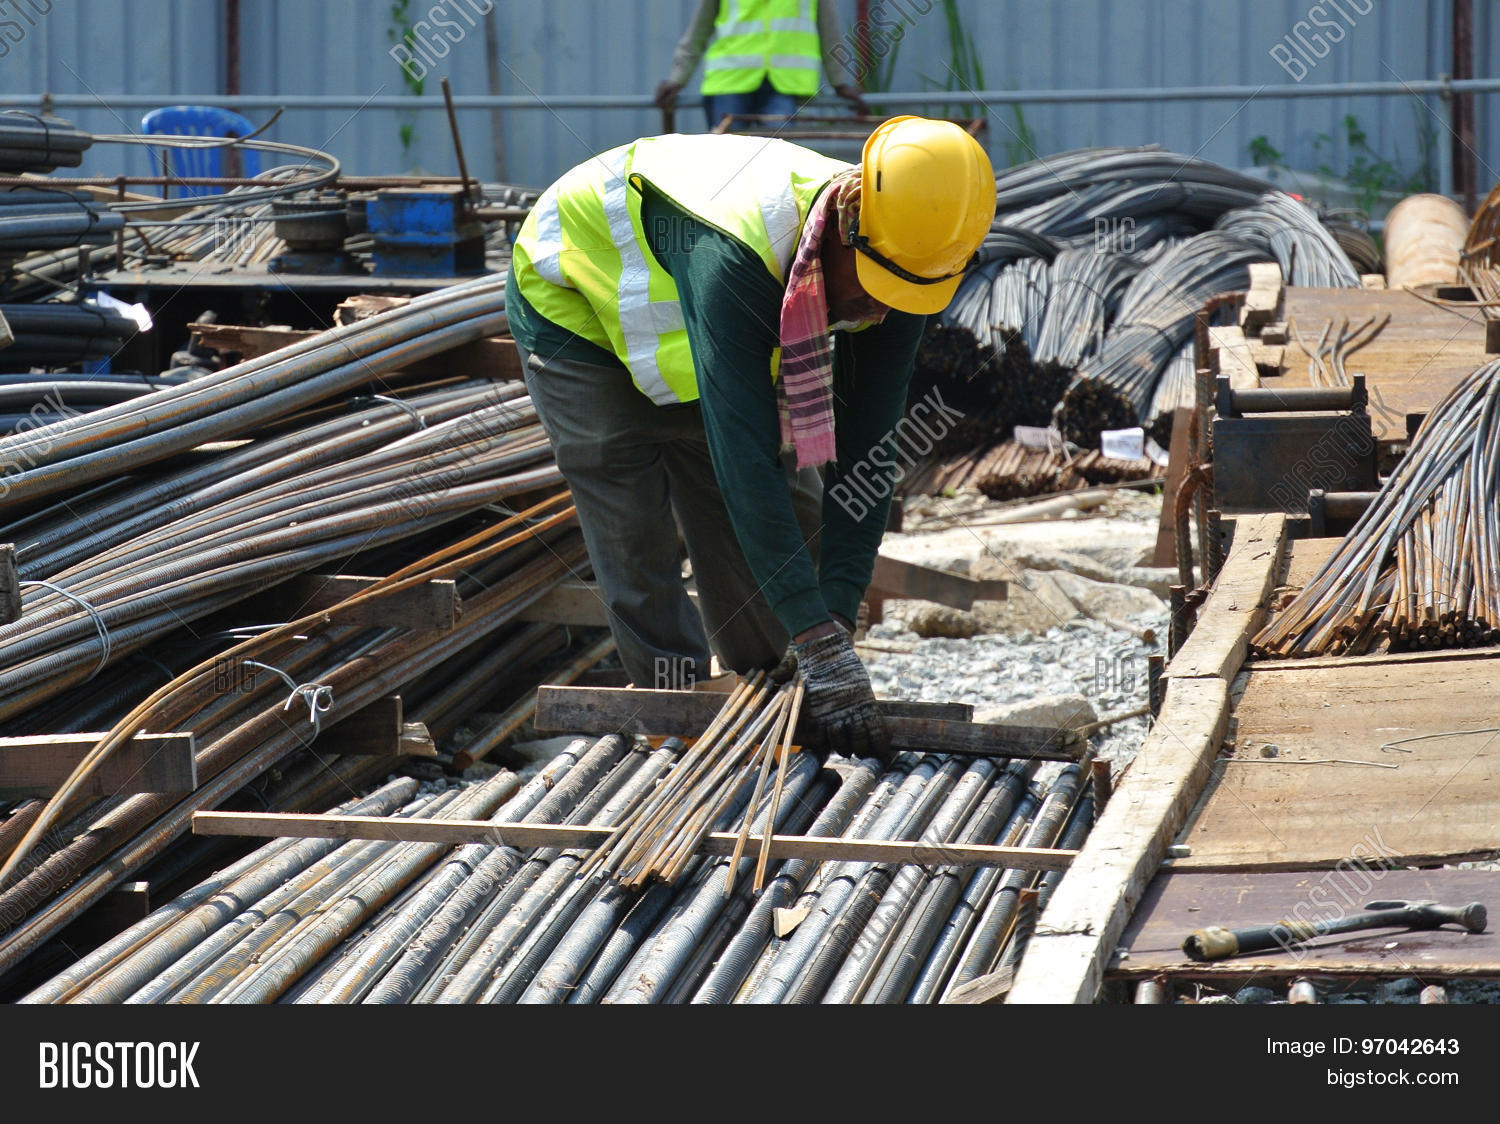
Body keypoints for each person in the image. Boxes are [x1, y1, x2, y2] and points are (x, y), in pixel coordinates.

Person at [506, 116, 995, 760]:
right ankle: (670, 710)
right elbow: (744, 459)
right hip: (575, 301)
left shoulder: (905, 264)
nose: (881, 309)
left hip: (700, 311)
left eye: (903, 296)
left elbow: (869, 456)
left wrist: (833, 627)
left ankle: (775, 688)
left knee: (793, 515)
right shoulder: (738, 252)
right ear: (847, 229)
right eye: (876, 290)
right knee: (632, 520)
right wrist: (820, 636)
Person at [654, 0, 866, 129]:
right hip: (729, 81)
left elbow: (829, 30)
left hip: (784, 84)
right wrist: (677, 78)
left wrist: (838, 81)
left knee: (776, 161)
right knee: (727, 161)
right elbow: (698, 31)